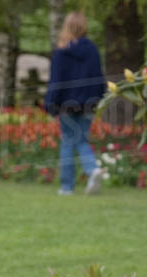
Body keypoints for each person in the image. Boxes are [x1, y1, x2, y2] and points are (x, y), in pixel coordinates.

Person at [44, 12, 106, 196]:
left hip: (66, 105)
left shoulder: (61, 52)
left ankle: (74, 181)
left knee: (69, 142)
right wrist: (99, 98)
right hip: (88, 104)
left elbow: (56, 81)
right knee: (79, 140)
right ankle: (83, 176)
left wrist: (51, 104)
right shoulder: (93, 50)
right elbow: (99, 78)